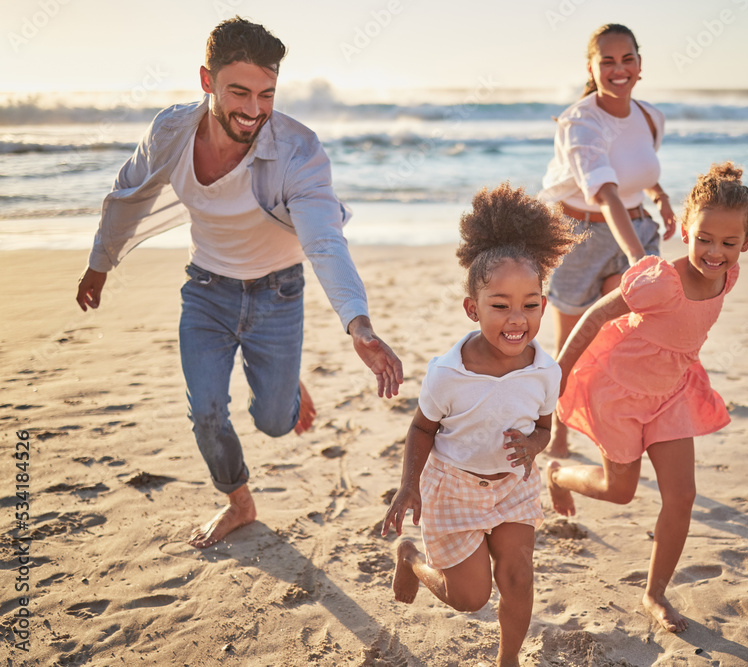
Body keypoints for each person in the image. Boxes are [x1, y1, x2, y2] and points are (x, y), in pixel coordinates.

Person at [74, 18, 403, 549]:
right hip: (206, 289)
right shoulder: (171, 132)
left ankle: (283, 380)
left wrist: (358, 324)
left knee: (275, 423)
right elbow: (128, 192)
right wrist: (99, 262)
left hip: (278, 293)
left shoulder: (298, 151)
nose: (254, 109)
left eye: (267, 94)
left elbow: (324, 241)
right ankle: (238, 500)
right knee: (205, 411)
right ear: (207, 81)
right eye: (239, 92)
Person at [546, 162, 748, 633]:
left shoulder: (728, 276)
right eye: (704, 238)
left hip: (672, 394)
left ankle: (654, 593)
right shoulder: (659, 278)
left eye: (728, 242)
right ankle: (558, 473)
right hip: (618, 394)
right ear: (684, 229)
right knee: (619, 491)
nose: (714, 252)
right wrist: (559, 373)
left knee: (681, 496)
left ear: (746, 242)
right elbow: (595, 317)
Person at [381, 183, 583, 667]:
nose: (518, 319)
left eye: (531, 304)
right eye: (500, 305)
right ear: (473, 308)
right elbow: (422, 429)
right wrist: (409, 486)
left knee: (517, 574)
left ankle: (507, 660)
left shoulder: (544, 370)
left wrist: (533, 447)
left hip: (513, 487)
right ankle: (410, 558)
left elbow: (544, 426)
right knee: (470, 597)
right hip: (453, 488)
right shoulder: (448, 373)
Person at [538, 23, 677, 458]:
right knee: (573, 344)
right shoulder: (580, 122)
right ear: (591, 68)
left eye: (627, 59)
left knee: (627, 341)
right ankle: (557, 432)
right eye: (608, 61)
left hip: (635, 227)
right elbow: (606, 192)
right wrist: (638, 259)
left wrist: (661, 197)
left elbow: (638, 171)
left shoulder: (651, 116)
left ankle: (617, 429)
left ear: (640, 64)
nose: (619, 69)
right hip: (581, 237)